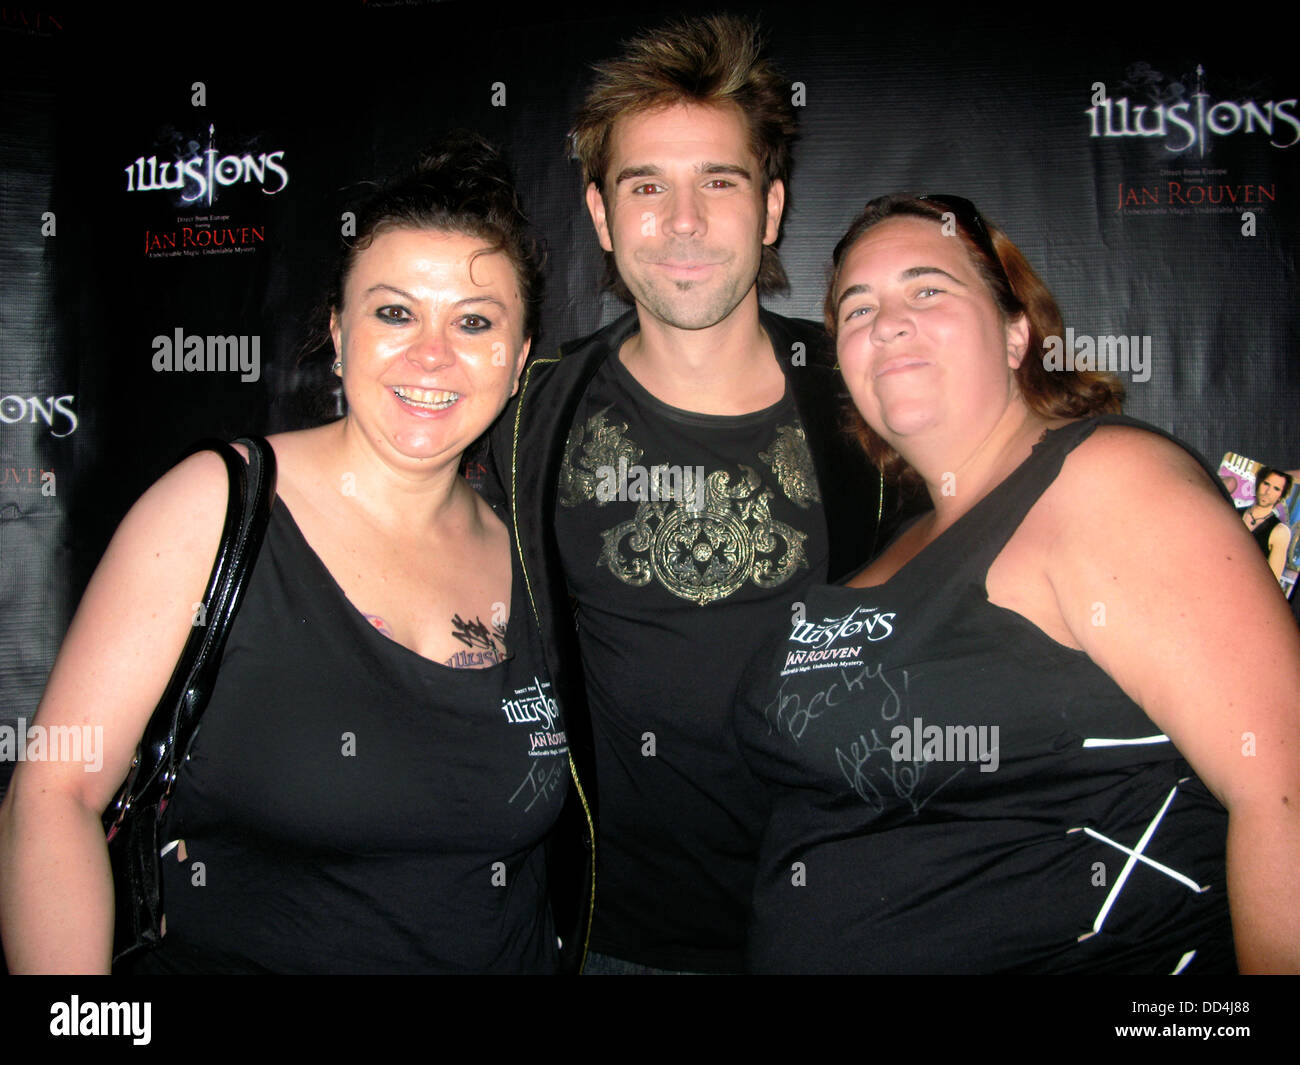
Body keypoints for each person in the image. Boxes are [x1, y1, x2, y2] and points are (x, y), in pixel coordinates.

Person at [0, 134, 588, 974]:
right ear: (338, 334)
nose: (432, 354)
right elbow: (52, 797)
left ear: (519, 358)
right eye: (394, 313)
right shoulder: (219, 507)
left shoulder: (530, 547)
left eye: (474, 322)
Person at [736, 193, 1300, 973]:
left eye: (927, 289)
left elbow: (1283, 792)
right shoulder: (896, 542)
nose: (887, 322)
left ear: (1014, 333)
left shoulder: (1103, 480)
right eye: (857, 309)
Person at [486, 14, 896, 974]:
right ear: (599, 215)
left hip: (843, 929)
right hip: (609, 945)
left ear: (772, 205)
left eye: (719, 180)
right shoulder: (526, 415)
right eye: (646, 186)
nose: (682, 222)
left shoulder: (870, 404)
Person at [1240, 465, 1293, 581]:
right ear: (1258, 483)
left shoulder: (1280, 532)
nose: (1268, 492)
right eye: (1266, 484)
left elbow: (1273, 581)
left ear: (1281, 495)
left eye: (1276, 489)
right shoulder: (1233, 512)